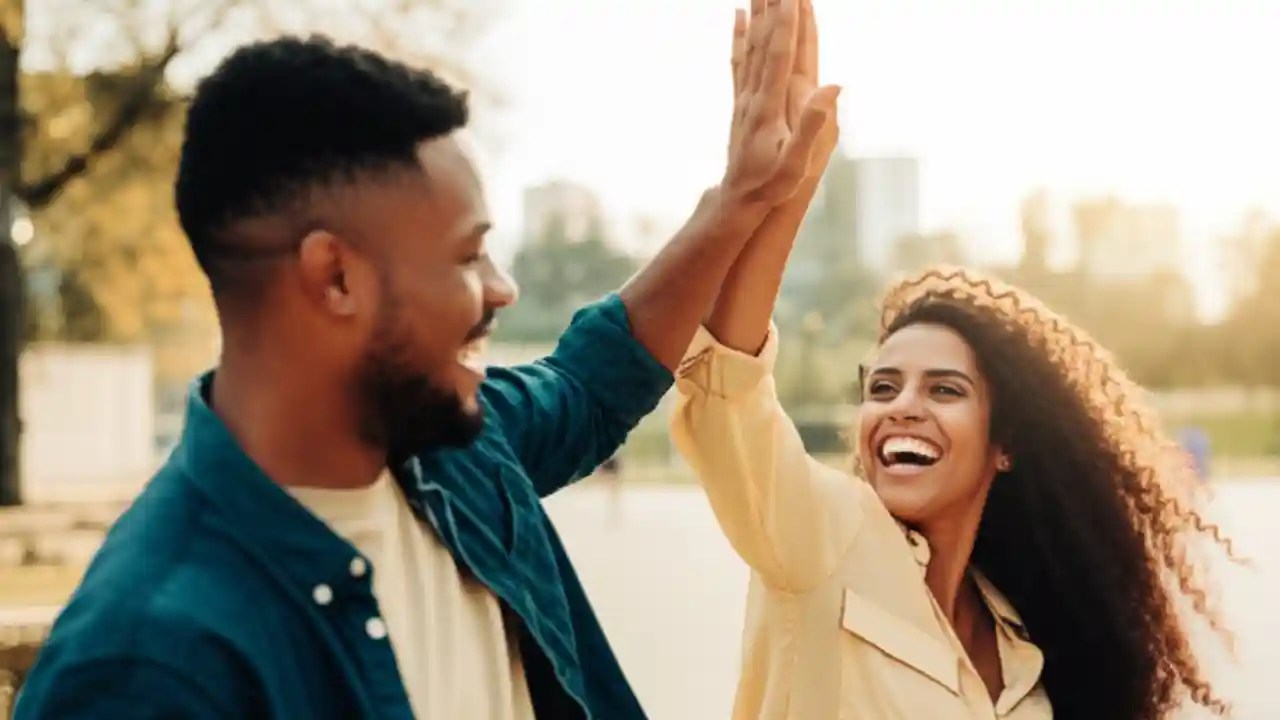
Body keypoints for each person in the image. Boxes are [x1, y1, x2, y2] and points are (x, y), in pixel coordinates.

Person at [15, 2, 840, 717]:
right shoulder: (147, 666)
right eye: (468, 255)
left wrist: (741, 201)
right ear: (335, 277)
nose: (502, 288)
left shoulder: (455, 451)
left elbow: (591, 385)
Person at [672, 258, 1239, 712]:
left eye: (944, 390)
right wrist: (766, 190)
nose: (904, 407)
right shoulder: (824, 539)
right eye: (884, 388)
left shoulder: (1027, 647)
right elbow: (728, 386)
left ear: (1006, 443)